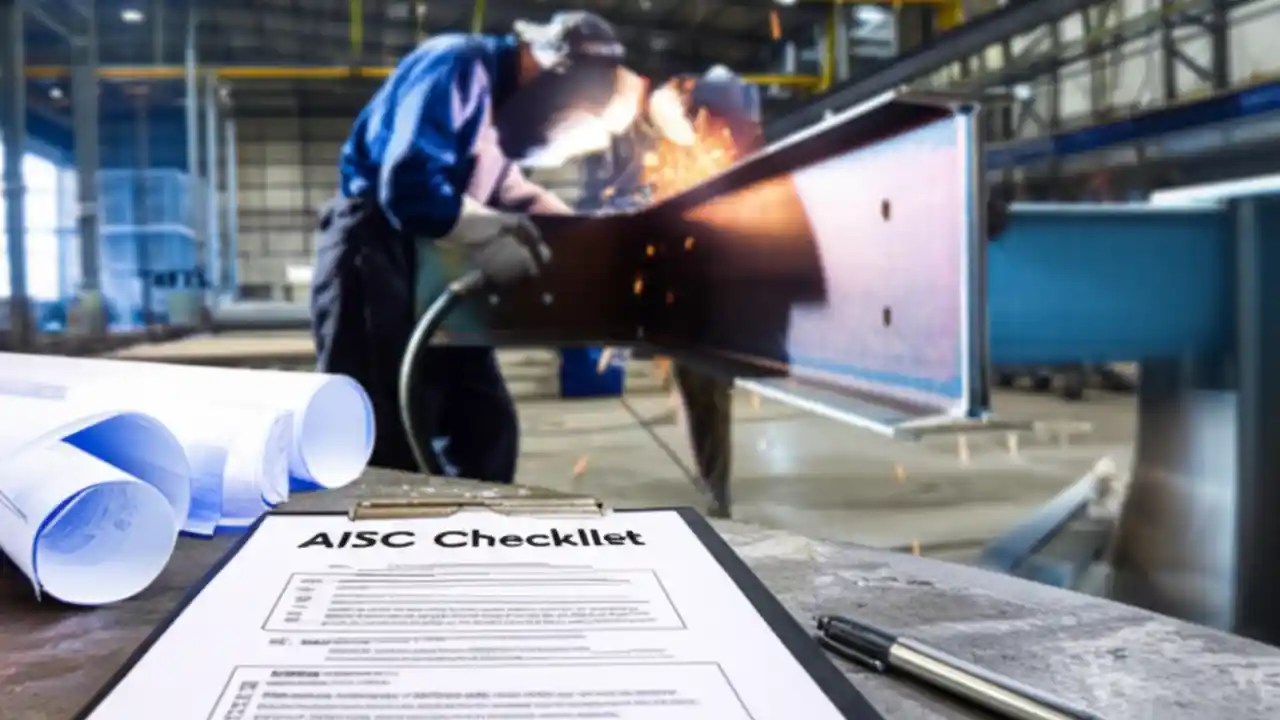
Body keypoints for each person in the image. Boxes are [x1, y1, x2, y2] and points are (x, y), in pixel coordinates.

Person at [309, 12, 632, 483]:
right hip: (374, 251)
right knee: (382, 434)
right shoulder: (458, 65)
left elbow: (508, 189)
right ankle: (387, 548)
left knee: (483, 427)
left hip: (431, 258)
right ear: (552, 75)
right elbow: (409, 185)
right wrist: (491, 231)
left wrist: (579, 234)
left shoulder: (498, 110)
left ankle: (474, 530)